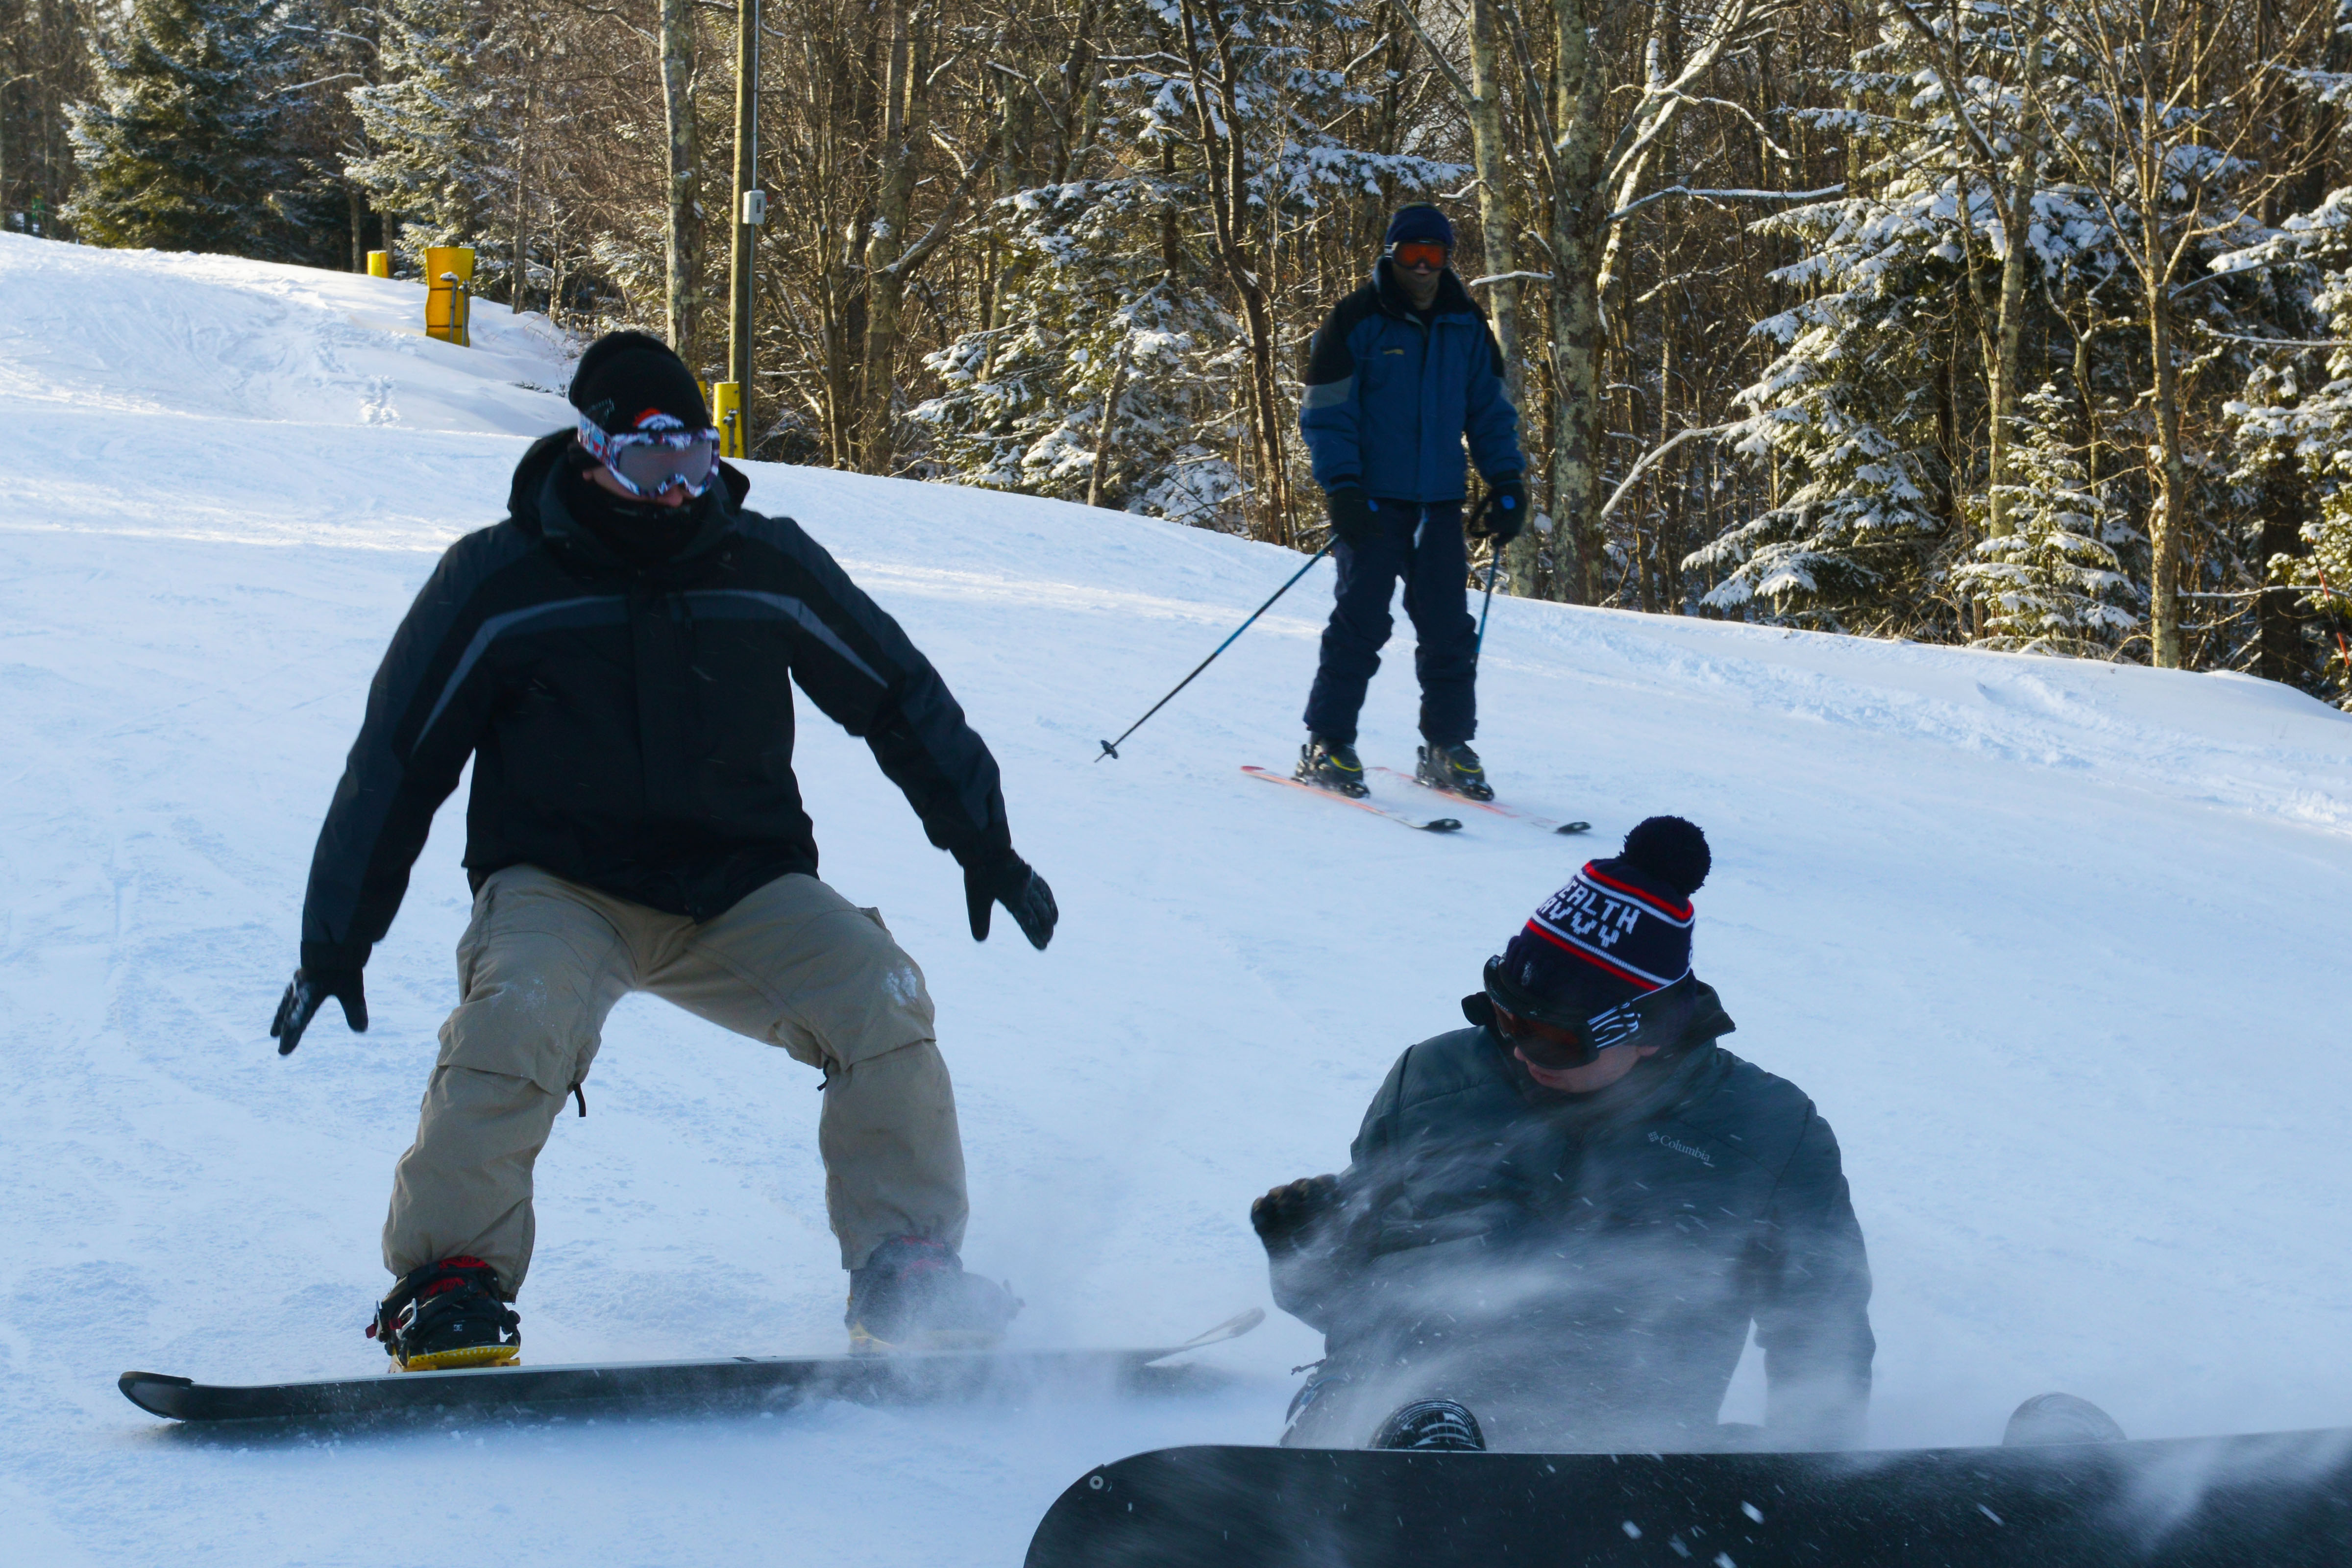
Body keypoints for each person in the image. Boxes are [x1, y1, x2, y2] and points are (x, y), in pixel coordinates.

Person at [269, 331, 1057, 1370]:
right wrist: (338, 938)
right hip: (563, 885)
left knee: (882, 992)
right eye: (652, 461)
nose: (681, 490)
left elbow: (897, 695)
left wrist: (982, 843)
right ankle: (449, 1279)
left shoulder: (763, 561)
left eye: (697, 457)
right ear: (590, 447)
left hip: (740, 887)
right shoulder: (501, 581)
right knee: (519, 1016)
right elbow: (398, 760)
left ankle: (906, 1267)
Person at [1250, 817, 1874, 1452]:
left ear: (1652, 1028)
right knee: (1404, 1421)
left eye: (1552, 1035)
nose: (1520, 1051)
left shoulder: (1765, 1132)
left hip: (1613, 1452)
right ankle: (1399, 1468)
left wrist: (1815, 1474)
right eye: (1506, 1015)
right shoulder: (1434, 1078)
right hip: (1390, 1419)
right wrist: (1308, 1257)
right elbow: (1357, 1310)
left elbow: (1822, 1327)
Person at [1294, 203, 1527, 802]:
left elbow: (1491, 412)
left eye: (1435, 254)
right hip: (1371, 503)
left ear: (1448, 258)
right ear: (1390, 256)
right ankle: (1328, 741)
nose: (1423, 266)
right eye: (1411, 254)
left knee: (1450, 630)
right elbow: (1327, 413)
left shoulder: (1467, 325)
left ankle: (1447, 746)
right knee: (1362, 623)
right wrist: (1342, 487)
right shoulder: (1355, 320)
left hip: (1440, 505)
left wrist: (1505, 483)